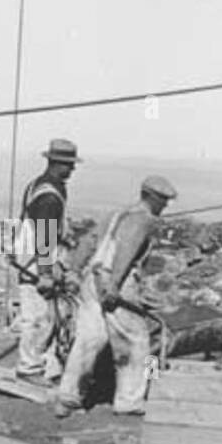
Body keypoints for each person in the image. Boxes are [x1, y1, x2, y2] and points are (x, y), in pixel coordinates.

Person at [54, 175, 177, 418]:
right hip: (116, 280)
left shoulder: (117, 214)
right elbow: (126, 250)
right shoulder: (143, 219)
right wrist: (114, 286)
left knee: (90, 338)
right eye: (163, 201)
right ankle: (129, 401)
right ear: (151, 198)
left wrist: (74, 271)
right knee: (137, 341)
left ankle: (68, 397)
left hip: (92, 277)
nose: (165, 206)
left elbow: (88, 241)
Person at [13, 139, 80, 385]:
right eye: (68, 165)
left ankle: (42, 365)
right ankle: (29, 368)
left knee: (47, 315)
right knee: (39, 317)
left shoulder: (39, 185)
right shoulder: (50, 196)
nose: (72, 170)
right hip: (36, 259)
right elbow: (44, 237)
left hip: (33, 255)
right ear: (56, 163)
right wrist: (45, 273)